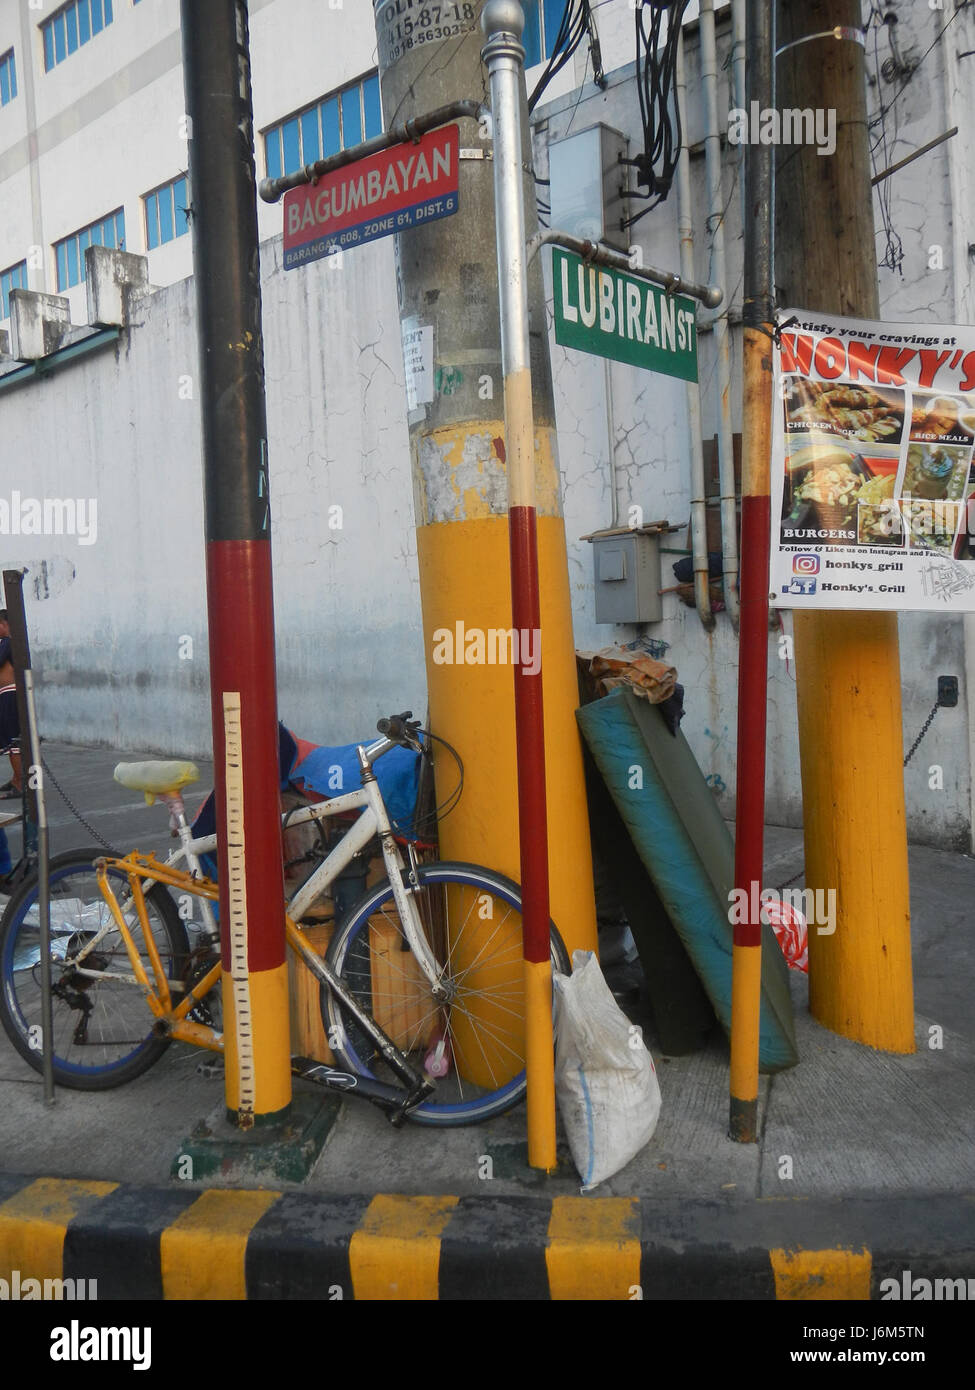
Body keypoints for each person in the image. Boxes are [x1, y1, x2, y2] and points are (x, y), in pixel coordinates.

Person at [0, 610, 22, 800]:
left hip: (10, 693)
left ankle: (20, 782)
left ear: (3, 624)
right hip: (9, 693)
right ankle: (16, 778)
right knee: (10, 738)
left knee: (12, 739)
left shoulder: (8, 641)